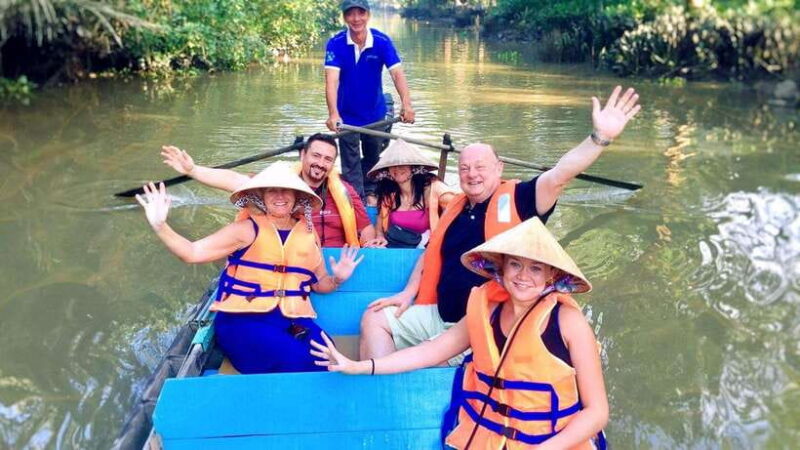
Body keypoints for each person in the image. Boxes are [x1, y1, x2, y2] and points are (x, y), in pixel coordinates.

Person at [359, 86, 641, 363]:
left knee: (430, 359)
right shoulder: (455, 208)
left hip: (483, 326)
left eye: (481, 167)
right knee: (373, 319)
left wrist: (599, 138)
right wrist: (408, 294)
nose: (472, 174)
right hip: (437, 314)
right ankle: (383, 393)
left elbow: (559, 176)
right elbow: (430, 255)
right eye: (466, 168)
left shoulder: (520, 200)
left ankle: (426, 367)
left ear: (499, 168)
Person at [311, 217, 608, 450]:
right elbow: (430, 351)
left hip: (553, 441)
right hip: (489, 436)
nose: (522, 276)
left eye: (536, 269)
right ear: (501, 269)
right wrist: (359, 366)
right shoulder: (487, 310)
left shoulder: (568, 322)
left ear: (551, 277)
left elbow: (597, 412)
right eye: (515, 264)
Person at [135, 162, 363, 374]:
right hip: (243, 319)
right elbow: (192, 252)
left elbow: (319, 281)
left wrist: (338, 279)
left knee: (329, 353)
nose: (280, 196)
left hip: (292, 320)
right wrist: (161, 226)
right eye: (272, 190)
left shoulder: (307, 233)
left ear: (297, 197)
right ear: (261, 197)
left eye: (286, 191)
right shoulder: (246, 229)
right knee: (297, 361)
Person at [160, 133, 376, 247]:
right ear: (303, 156)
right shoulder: (280, 184)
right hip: (291, 259)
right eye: (316, 156)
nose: (320, 163)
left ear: (333, 164)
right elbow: (235, 180)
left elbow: (365, 227)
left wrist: (370, 245)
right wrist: (193, 169)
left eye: (327, 159)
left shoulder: (345, 191)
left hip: (337, 263)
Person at [324, 0, 416, 202]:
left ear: (368, 15)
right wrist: (333, 114)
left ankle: (372, 193)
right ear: (345, 17)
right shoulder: (336, 43)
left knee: (373, 157)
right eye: (350, 14)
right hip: (346, 116)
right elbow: (331, 81)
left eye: (361, 13)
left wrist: (407, 105)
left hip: (375, 114)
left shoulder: (382, 41)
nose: (356, 19)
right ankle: (356, 200)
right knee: (350, 163)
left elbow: (397, 75)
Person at [362, 139, 456, 248]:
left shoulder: (432, 188)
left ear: (413, 168)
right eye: (393, 165)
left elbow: (456, 203)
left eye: (403, 165)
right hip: (396, 249)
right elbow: (379, 230)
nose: (397, 169)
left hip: (427, 249)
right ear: (388, 171)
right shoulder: (388, 196)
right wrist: (380, 238)